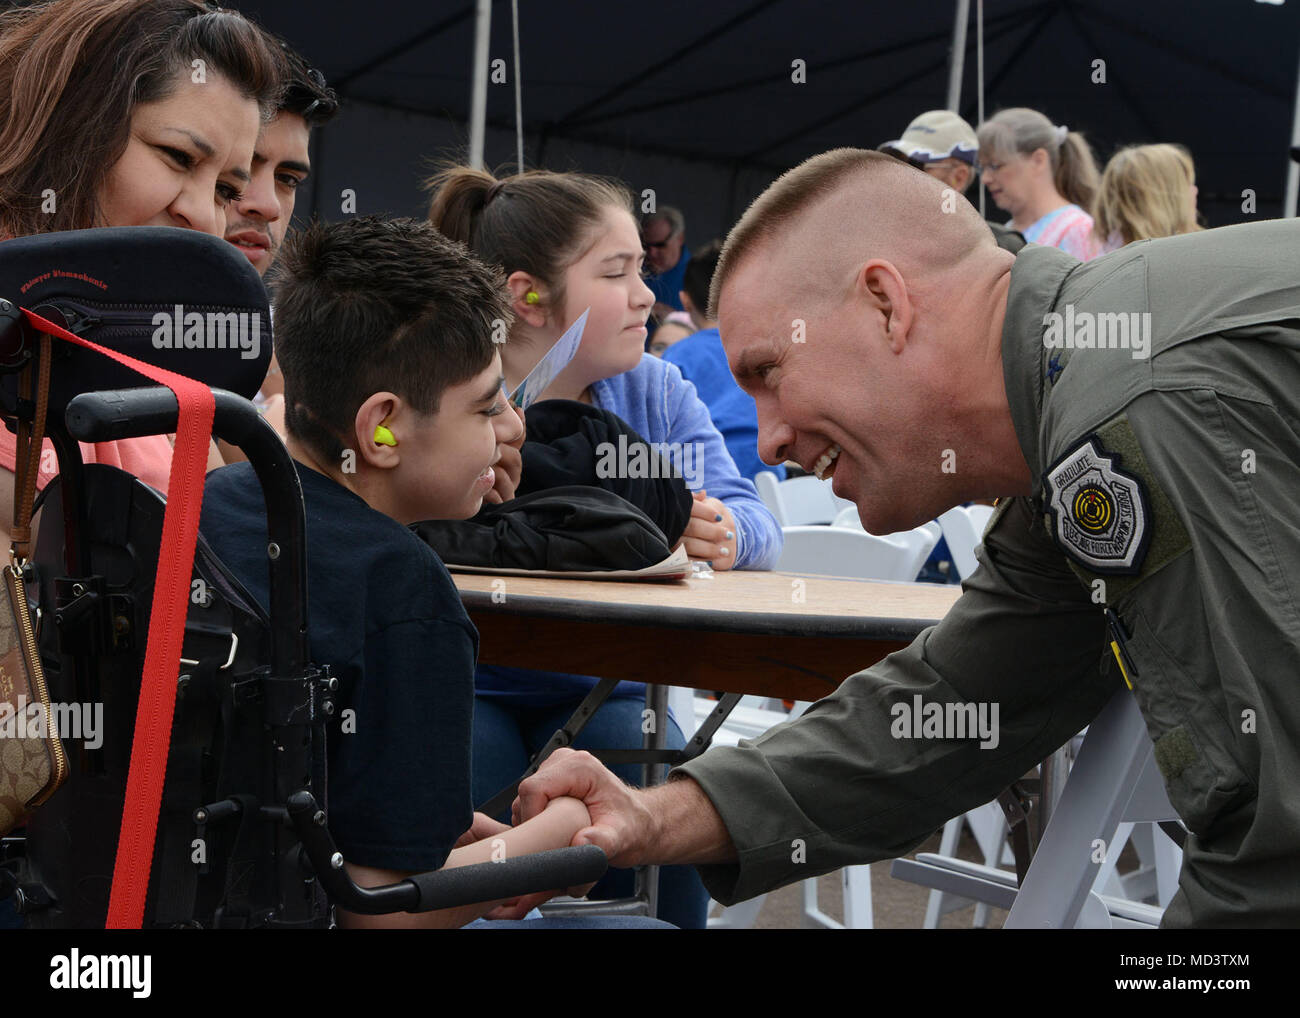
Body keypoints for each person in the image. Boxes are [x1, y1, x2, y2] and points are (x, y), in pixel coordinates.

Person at [513, 147, 1300, 929]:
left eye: (769, 373)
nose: (769, 443)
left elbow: (1277, 858)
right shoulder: (1079, 401)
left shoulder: (1130, 405)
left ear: (886, 304)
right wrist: (652, 820)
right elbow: (954, 708)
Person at [200, 216, 662, 929]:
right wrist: (563, 827)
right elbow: (385, 913)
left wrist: (439, 841)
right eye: (488, 404)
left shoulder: (205, 505)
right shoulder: (404, 589)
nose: (514, 428)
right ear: (381, 428)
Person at [426, 166, 782, 928]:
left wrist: (719, 530)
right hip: (472, 679)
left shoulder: (654, 392)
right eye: (617, 273)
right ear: (527, 296)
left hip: (616, 684)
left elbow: (759, 524)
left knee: (655, 788)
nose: (647, 294)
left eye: (644, 271)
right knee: (464, 767)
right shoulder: (452, 391)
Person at [0, 0, 282, 538]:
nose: (204, 216)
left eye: (226, 191)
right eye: (178, 157)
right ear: (75, 126)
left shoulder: (148, 366)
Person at [662, 240, 785, 483]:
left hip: (705, 487)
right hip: (773, 477)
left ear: (685, 302)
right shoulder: (771, 349)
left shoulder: (675, 358)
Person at [977, 107, 1102, 261]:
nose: (985, 178)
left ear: (1038, 160)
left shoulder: (1078, 231)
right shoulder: (1007, 230)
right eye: (982, 168)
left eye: (995, 166)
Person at [1092, 143, 1201, 254]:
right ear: (1165, 199)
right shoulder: (1187, 256)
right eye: (1186, 183)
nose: (1194, 190)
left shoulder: (1106, 253)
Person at [641, 205, 690, 324]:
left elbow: (713, 332)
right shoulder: (633, 270)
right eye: (646, 246)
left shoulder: (701, 277)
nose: (652, 253)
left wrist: (675, 318)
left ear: (680, 238)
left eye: (660, 245)